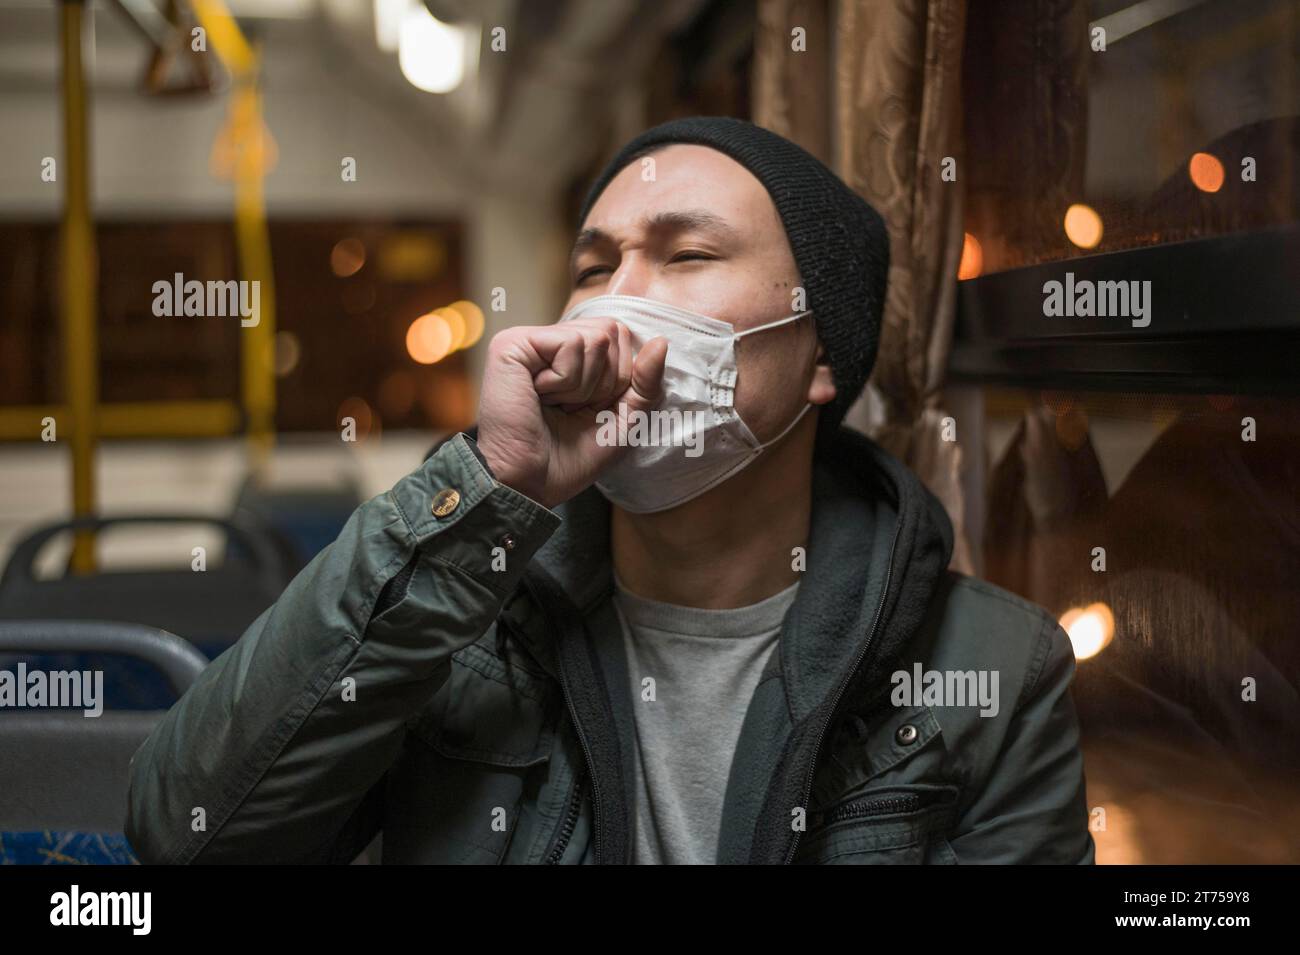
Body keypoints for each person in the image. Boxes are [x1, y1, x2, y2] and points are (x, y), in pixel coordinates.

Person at [124, 117, 1094, 865]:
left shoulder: (994, 672)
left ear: (818, 355)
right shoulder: (461, 623)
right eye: (593, 267)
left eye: (685, 255)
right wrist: (484, 493)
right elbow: (190, 835)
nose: (617, 301)